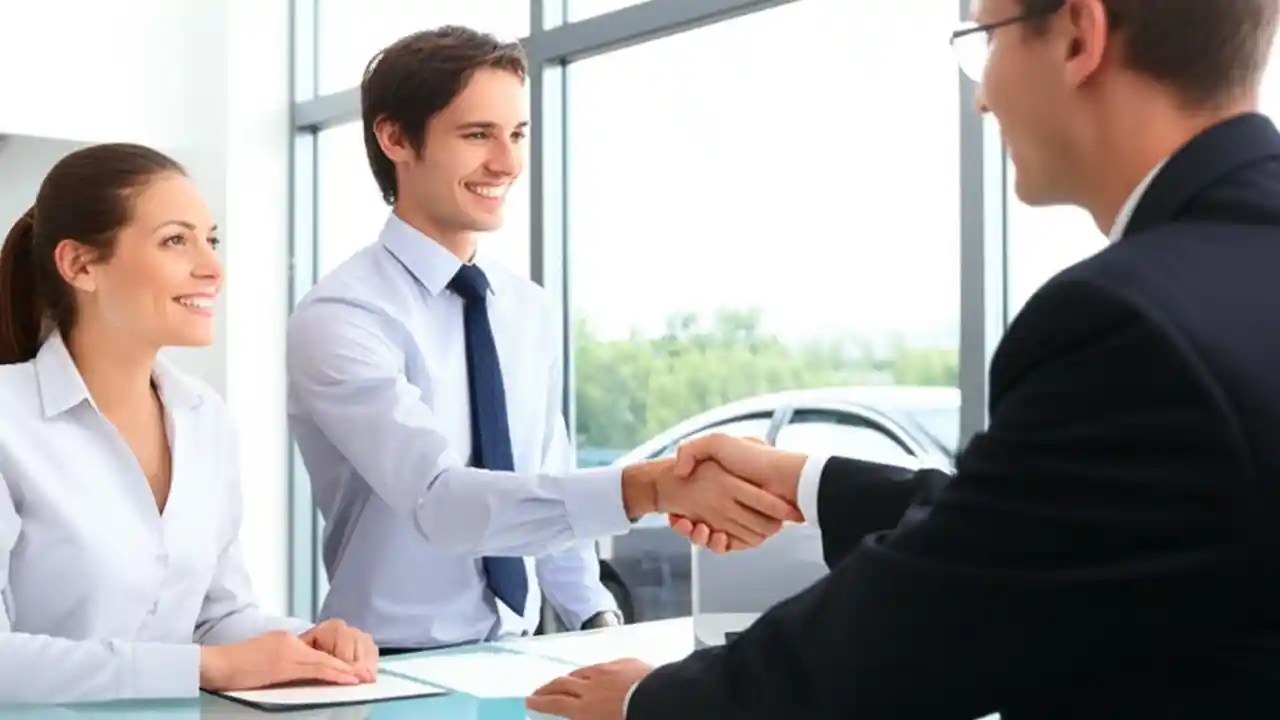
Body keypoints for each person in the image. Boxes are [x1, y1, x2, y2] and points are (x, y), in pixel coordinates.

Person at [527, 0, 1280, 717]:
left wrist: (650, 702)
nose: (983, 98)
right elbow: (1048, 527)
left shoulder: (1126, 322)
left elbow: (933, 624)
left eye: (988, 39)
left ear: (1079, 36)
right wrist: (810, 485)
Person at [286, 26, 799, 653]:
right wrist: (651, 486)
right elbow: (442, 502)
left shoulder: (524, 307)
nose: (506, 162)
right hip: (387, 665)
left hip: (517, 652)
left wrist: (595, 621)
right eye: (477, 134)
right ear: (395, 138)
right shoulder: (343, 315)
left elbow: (546, 479)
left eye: (518, 134)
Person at [0, 144, 378, 704]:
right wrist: (205, 668)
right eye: (176, 240)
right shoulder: (10, 423)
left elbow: (216, 615)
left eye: (211, 239)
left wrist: (306, 640)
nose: (213, 267)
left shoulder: (206, 420)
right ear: (79, 265)